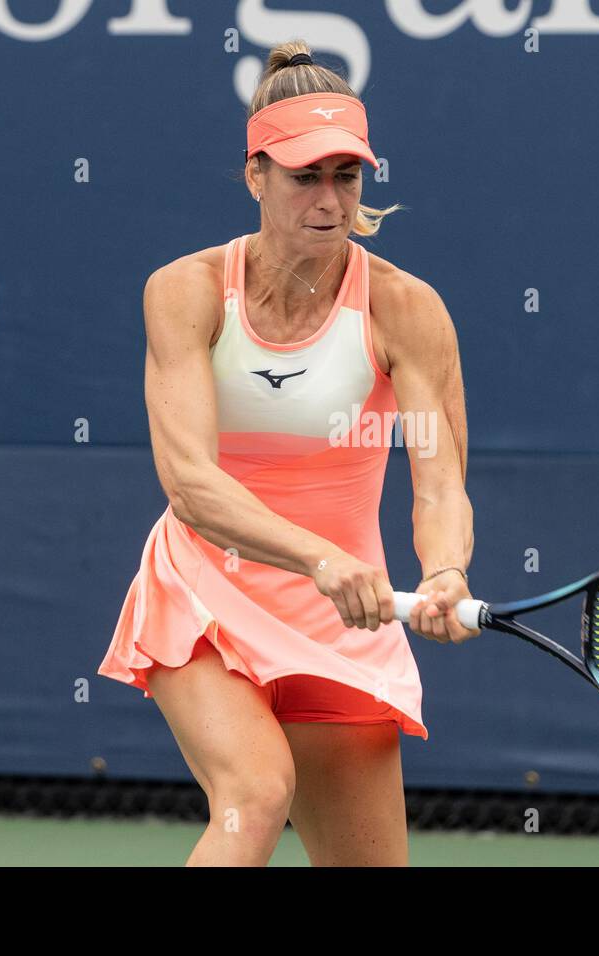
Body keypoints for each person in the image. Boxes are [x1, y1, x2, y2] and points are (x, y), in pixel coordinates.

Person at [97, 40, 477, 866]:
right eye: (306, 176)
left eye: (347, 175)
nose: (330, 198)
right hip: (205, 588)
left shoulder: (407, 310)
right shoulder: (186, 291)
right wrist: (318, 558)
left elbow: (439, 481)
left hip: (347, 615)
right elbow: (191, 483)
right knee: (256, 793)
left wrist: (445, 572)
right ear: (255, 175)